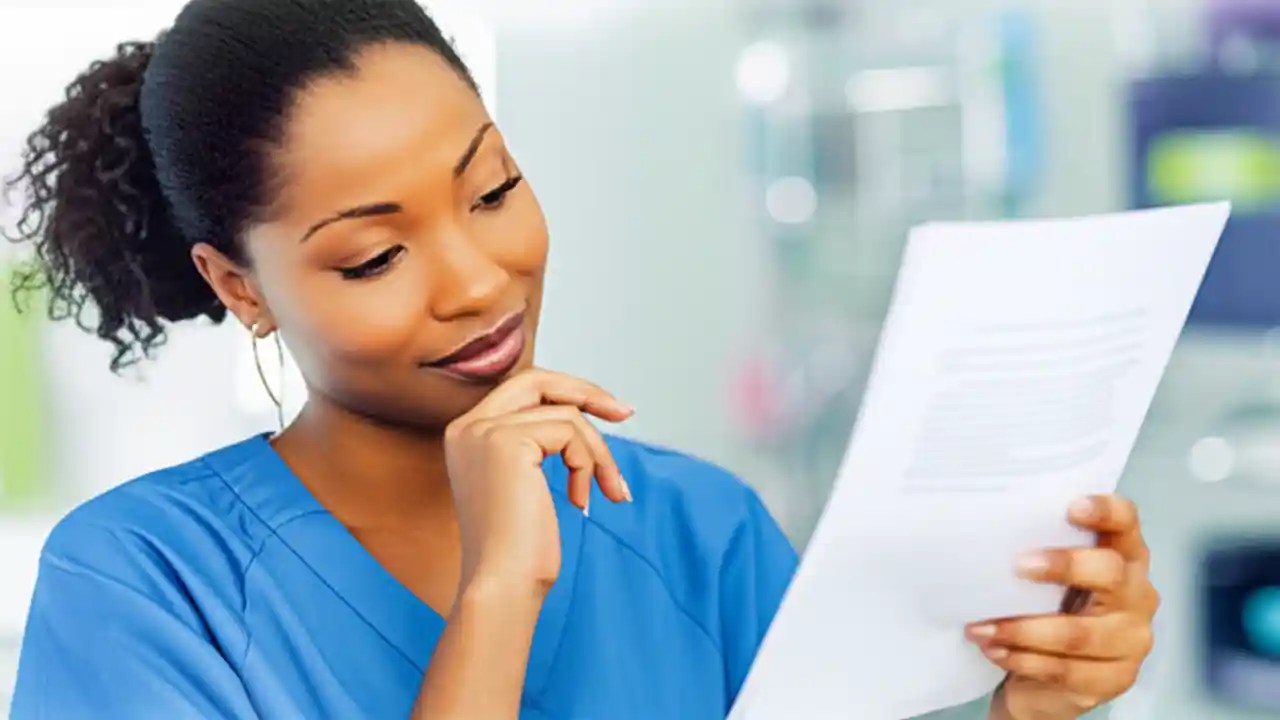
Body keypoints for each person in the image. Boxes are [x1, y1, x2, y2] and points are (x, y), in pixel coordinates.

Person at [3, 1, 1159, 718]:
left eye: (491, 190)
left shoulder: (699, 532)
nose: (475, 279)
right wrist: (498, 592)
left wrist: (1031, 706)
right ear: (239, 285)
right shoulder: (143, 583)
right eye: (373, 256)